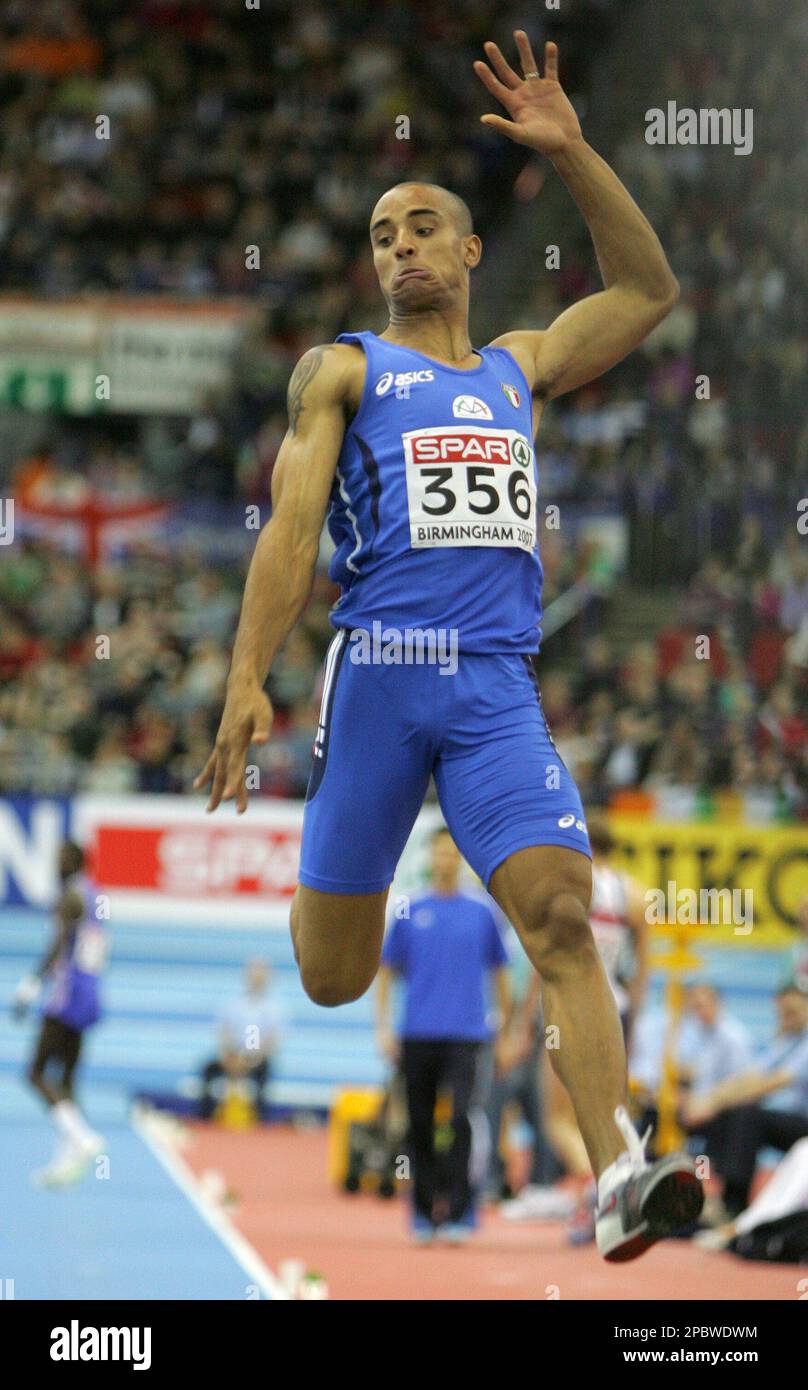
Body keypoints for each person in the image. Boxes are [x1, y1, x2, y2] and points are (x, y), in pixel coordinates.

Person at [194, 32, 702, 1260]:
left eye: (421, 226)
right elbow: (292, 529)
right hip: (377, 673)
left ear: (470, 251)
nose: (399, 247)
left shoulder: (518, 368)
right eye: (381, 235)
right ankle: (340, 878)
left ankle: (616, 1169)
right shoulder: (343, 371)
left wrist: (572, 151)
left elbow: (646, 292)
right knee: (330, 975)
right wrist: (245, 678)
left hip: (492, 690)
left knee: (563, 915)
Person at [375, 827, 511, 1242]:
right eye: (439, 853)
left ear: (462, 859)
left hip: (467, 1035)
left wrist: (503, 1026)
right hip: (418, 1033)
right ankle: (422, 1211)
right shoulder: (409, 909)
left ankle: (460, 1209)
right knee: (418, 1121)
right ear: (430, 858)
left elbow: (500, 972)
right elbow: (387, 971)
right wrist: (383, 1026)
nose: (445, 860)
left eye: (452, 853)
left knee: (460, 1119)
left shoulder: (482, 912)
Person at [12, 840, 107, 1187]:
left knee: (35, 1072)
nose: (56, 863)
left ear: (75, 862)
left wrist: (31, 984)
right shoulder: (95, 895)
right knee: (66, 1080)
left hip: (68, 995)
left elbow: (59, 944)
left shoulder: (70, 897)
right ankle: (66, 1157)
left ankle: (82, 1137)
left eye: (61, 858)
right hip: (90, 993)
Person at [682, 986, 808, 1217]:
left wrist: (712, 1104)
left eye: (791, 1013)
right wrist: (706, 1102)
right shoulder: (787, 1041)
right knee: (721, 1119)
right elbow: (750, 1076)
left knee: (746, 1115)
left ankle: (733, 1202)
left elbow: (768, 1083)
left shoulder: (733, 1037)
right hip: (732, 1111)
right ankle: (709, 1190)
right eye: (781, 1013)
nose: (784, 1019)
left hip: (801, 1122)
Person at [198, 958, 282, 1121]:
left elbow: (273, 1038)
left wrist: (251, 1058)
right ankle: (205, 1118)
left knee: (263, 1072)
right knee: (208, 1069)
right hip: (232, 1055)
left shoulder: (275, 1007)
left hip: (257, 1058)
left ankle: (259, 1119)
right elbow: (223, 1031)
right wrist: (230, 1056)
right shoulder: (233, 1003)